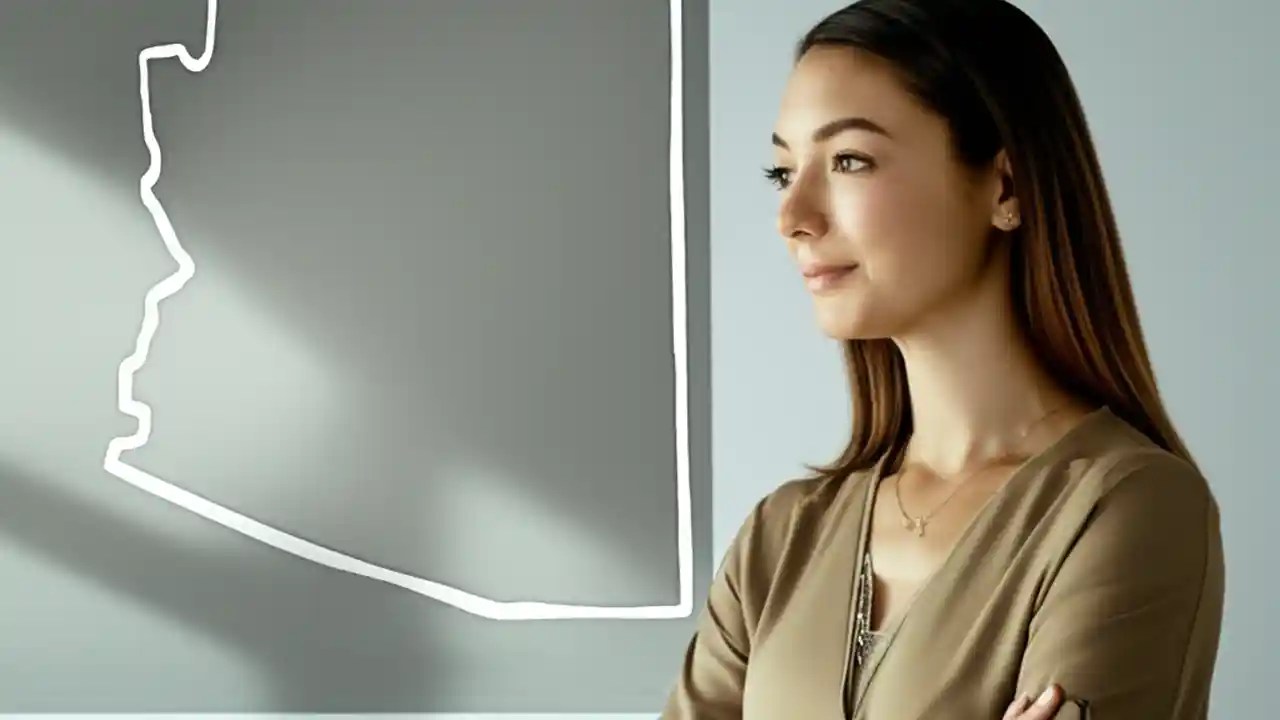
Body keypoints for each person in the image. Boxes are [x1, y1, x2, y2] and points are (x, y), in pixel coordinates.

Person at [661, 0, 1225, 718]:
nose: (792, 215)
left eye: (848, 160)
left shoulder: (1126, 508)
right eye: (782, 172)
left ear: (1006, 187)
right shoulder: (780, 539)